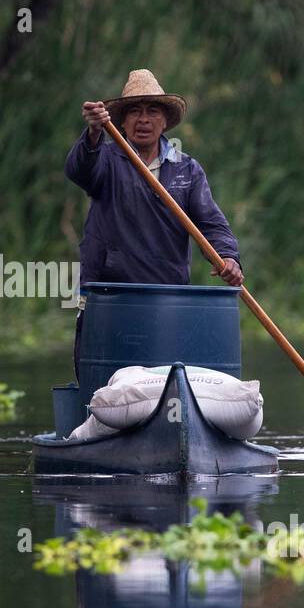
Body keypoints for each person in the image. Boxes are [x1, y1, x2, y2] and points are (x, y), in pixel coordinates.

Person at [65, 69, 244, 379]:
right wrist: (93, 133)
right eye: (134, 111)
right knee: (105, 379)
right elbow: (79, 170)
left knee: (164, 377)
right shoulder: (105, 159)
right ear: (121, 121)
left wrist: (228, 257)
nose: (143, 119)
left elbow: (210, 223)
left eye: (152, 111)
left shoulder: (187, 170)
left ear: (165, 122)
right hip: (110, 293)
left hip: (166, 298)